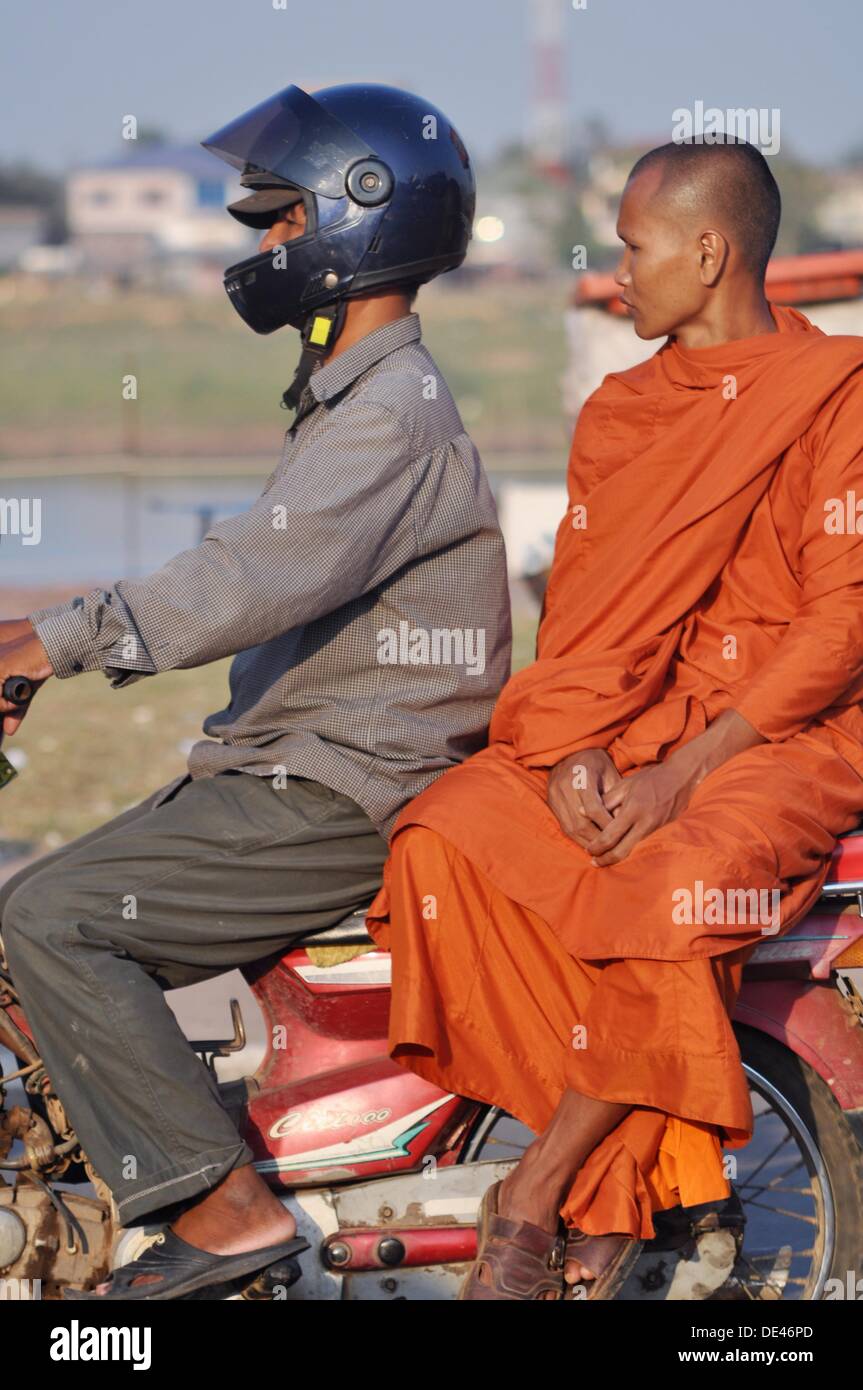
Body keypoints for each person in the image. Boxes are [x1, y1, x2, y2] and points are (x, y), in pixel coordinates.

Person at [0, 82, 511, 1301]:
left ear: (354, 220)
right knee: (39, 918)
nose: (264, 249)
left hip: (343, 786)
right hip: (285, 762)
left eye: (279, 224)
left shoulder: (390, 413)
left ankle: (224, 1211)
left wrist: (49, 643)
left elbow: (244, 578)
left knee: (53, 918)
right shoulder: (350, 395)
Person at [364, 137, 863, 1300]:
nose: (616, 273)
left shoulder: (835, 397)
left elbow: (839, 629)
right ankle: (624, 1183)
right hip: (630, 725)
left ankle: (535, 1191)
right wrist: (572, 751)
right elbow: (583, 623)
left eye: (632, 250)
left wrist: (679, 773)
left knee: (670, 888)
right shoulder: (618, 412)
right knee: (443, 835)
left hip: (779, 738)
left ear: (707, 249)